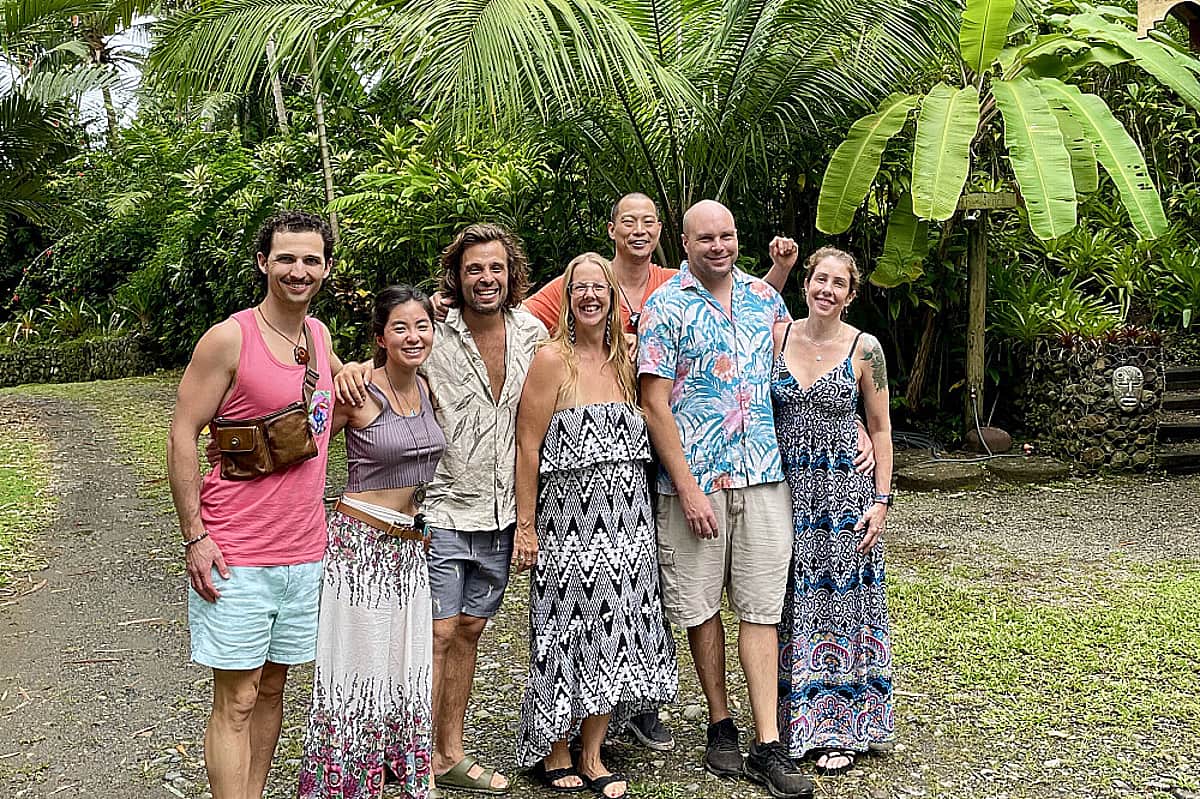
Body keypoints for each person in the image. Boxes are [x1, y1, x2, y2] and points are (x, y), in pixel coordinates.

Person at [336, 223, 546, 796]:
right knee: (437, 632)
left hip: (503, 514)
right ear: (455, 275)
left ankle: (448, 751)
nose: (486, 278)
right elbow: (388, 359)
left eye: (496, 267)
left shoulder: (532, 332)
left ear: (511, 274)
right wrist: (349, 370)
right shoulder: (433, 330)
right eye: (474, 268)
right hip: (442, 507)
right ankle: (408, 753)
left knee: (471, 631)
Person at [637, 200, 812, 799]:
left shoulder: (767, 301)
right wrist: (686, 488)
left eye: (727, 235)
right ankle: (720, 722)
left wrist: (867, 431)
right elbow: (654, 404)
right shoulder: (664, 308)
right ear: (683, 244)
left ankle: (768, 742)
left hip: (764, 476)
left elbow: (803, 373)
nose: (718, 246)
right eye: (705, 238)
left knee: (762, 609)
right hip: (696, 485)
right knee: (701, 607)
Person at [167, 211, 340, 799]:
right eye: (287, 258)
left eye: (311, 260)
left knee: (272, 689)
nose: (298, 270)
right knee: (236, 698)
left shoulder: (317, 337)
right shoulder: (229, 338)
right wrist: (196, 534)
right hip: (235, 549)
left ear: (325, 268)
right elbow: (183, 432)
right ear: (264, 262)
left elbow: (341, 402)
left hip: (304, 548)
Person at [512, 253, 678, 797]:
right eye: (579, 288)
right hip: (568, 528)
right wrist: (526, 526)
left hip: (628, 527)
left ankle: (592, 751)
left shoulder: (628, 361)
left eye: (598, 289)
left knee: (619, 638)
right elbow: (528, 449)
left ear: (612, 298)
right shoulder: (549, 362)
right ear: (566, 297)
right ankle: (555, 749)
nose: (589, 297)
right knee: (564, 637)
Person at [298, 286, 446, 799]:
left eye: (422, 326)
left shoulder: (426, 388)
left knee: (406, 668)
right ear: (380, 337)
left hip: (410, 548)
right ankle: (344, 786)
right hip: (360, 543)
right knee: (357, 671)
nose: (413, 336)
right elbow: (306, 445)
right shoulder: (359, 394)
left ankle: (401, 778)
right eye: (400, 327)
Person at [771, 247, 894, 775]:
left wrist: (882, 500)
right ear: (805, 284)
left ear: (850, 293)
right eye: (820, 279)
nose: (827, 289)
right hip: (782, 488)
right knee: (785, 601)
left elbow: (882, 427)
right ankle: (788, 722)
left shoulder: (865, 349)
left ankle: (842, 725)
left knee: (843, 605)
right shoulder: (776, 335)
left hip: (844, 493)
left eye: (838, 283)